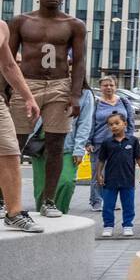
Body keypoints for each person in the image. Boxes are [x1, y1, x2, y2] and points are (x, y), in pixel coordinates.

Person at [6, 0, 86, 218]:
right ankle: (4, 199)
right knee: (12, 144)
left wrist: (75, 94)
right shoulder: (21, 21)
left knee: (55, 142)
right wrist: (4, 89)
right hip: (26, 83)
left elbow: (81, 60)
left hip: (59, 85)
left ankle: (49, 201)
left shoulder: (74, 24)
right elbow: (6, 58)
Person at [0, 0, 42, 232]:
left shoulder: (1, 27)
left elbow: (9, 67)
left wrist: (29, 97)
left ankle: (14, 212)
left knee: (10, 152)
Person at [31, 73, 94, 216]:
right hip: (41, 146)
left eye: (74, 73)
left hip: (67, 146)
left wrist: (79, 149)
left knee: (66, 182)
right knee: (41, 188)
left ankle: (60, 214)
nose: (70, 76)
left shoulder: (85, 95)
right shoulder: (46, 88)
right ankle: (42, 216)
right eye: (66, 72)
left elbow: (85, 123)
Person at [88, 75, 134, 212]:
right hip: (99, 143)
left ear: (116, 86)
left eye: (111, 85)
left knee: (113, 174)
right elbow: (90, 122)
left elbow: (130, 121)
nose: (108, 87)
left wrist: (129, 139)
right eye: (105, 85)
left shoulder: (124, 102)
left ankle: (110, 201)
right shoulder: (96, 103)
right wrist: (88, 141)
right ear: (100, 87)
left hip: (119, 144)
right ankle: (96, 201)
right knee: (97, 172)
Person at [95, 112, 140, 237]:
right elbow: (101, 160)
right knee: (108, 206)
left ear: (125, 124)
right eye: (111, 125)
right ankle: (108, 226)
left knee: (128, 205)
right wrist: (99, 174)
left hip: (128, 180)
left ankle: (128, 225)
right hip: (110, 180)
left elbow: (138, 158)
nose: (114, 126)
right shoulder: (107, 142)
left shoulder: (132, 141)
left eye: (117, 123)